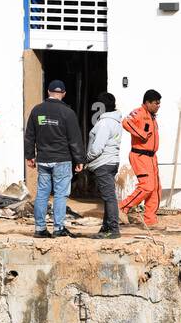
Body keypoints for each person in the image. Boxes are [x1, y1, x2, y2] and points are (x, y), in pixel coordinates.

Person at [25, 79, 85, 239]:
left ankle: (39, 228)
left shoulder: (37, 111)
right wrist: (79, 159)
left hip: (43, 160)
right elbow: (75, 139)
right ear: (63, 94)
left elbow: (29, 135)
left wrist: (30, 156)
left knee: (42, 193)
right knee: (60, 194)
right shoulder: (68, 113)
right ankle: (58, 228)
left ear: (48, 92)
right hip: (62, 160)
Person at [121, 90, 162, 229]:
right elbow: (126, 122)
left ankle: (150, 220)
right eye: (156, 103)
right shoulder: (138, 112)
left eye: (159, 103)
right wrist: (142, 134)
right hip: (140, 155)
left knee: (155, 188)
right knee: (147, 186)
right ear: (148, 102)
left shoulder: (152, 116)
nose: (158, 105)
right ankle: (122, 207)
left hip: (151, 157)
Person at [85, 93, 123, 239]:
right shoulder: (116, 122)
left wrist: (87, 159)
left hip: (103, 163)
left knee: (109, 197)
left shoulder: (104, 123)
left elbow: (97, 148)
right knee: (109, 196)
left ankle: (113, 229)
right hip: (112, 162)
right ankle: (106, 227)